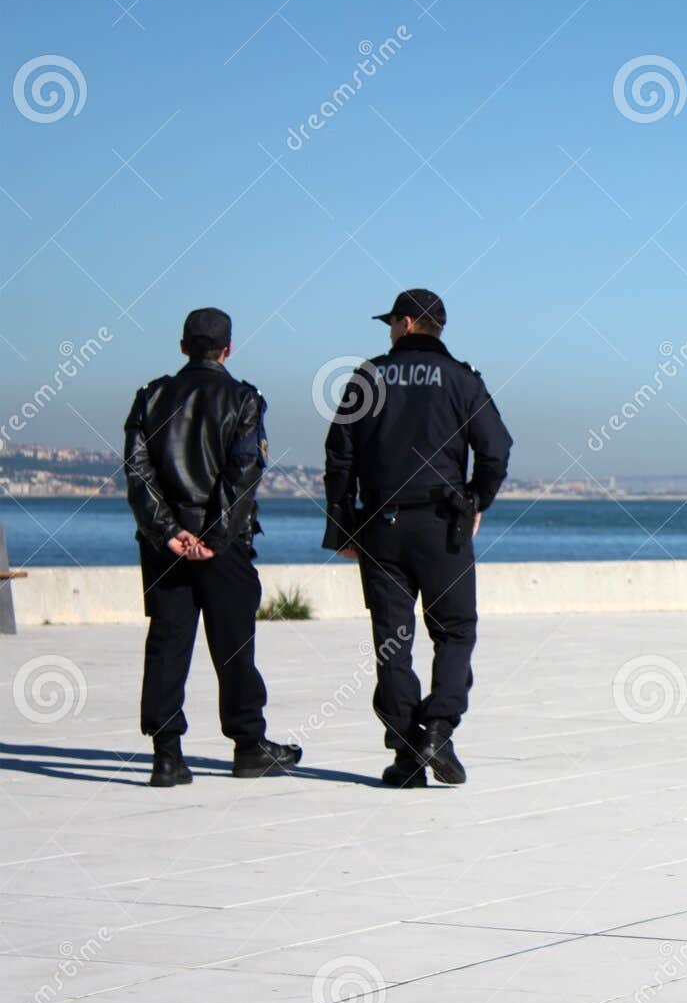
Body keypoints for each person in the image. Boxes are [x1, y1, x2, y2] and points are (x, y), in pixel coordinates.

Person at [322, 289, 513, 788]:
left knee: (392, 642)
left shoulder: (368, 376)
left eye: (391, 323)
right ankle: (439, 731)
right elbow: (497, 450)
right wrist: (476, 502)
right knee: (454, 632)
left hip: (380, 525)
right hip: (442, 525)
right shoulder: (463, 379)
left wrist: (341, 527)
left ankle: (407, 753)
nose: (388, 330)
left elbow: (338, 456)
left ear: (407, 323)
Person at [123, 307, 303, 787]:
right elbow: (243, 473)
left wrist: (168, 532)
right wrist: (214, 536)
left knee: (166, 643)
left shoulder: (151, 398)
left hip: (165, 548)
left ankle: (166, 755)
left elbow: (138, 474)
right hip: (224, 548)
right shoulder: (243, 399)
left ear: (183, 346)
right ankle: (248, 746)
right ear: (228, 349)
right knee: (234, 647)